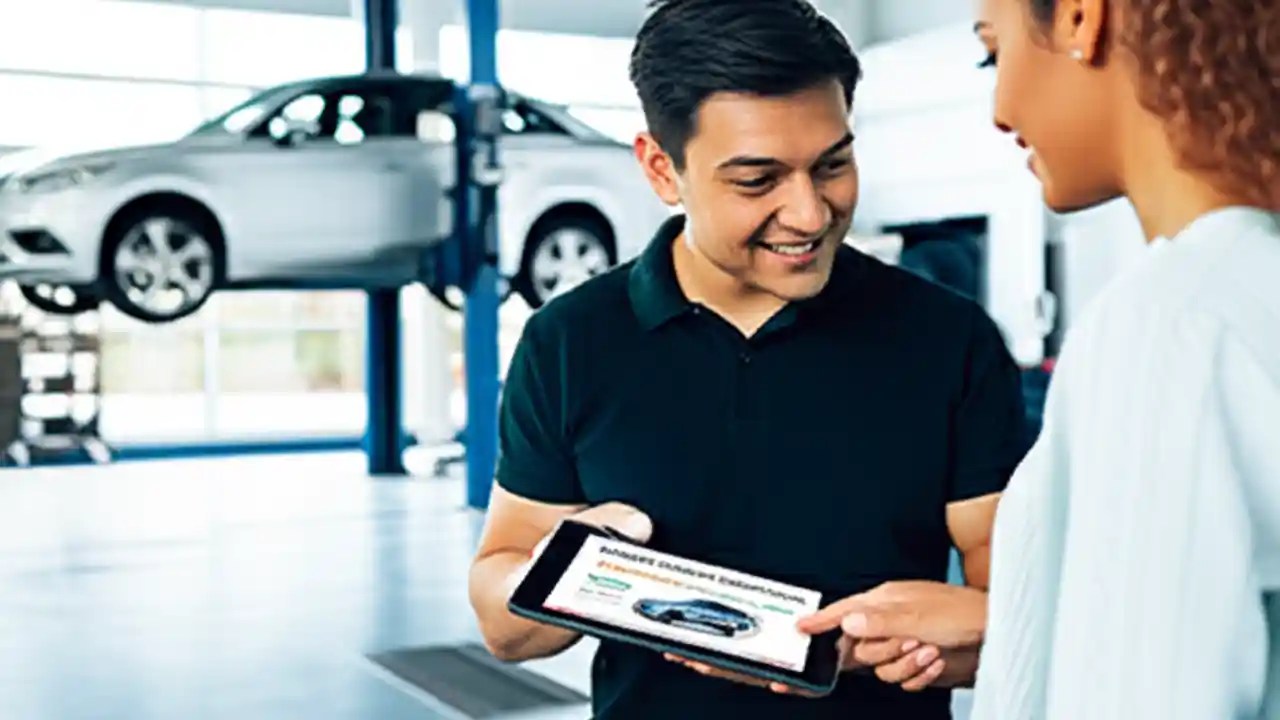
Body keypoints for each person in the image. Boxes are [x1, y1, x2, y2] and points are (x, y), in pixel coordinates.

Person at [467, 0, 1031, 717]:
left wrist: (899, 640)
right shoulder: (569, 343)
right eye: (757, 181)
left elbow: (1007, 607)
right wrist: (582, 565)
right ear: (661, 170)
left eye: (833, 164)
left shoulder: (950, 339)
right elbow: (504, 625)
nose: (809, 213)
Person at [802, 0, 1280, 716]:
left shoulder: (1171, 324)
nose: (999, 108)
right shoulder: (1246, 289)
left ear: (1084, 18)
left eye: (994, 55)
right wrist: (1011, 623)